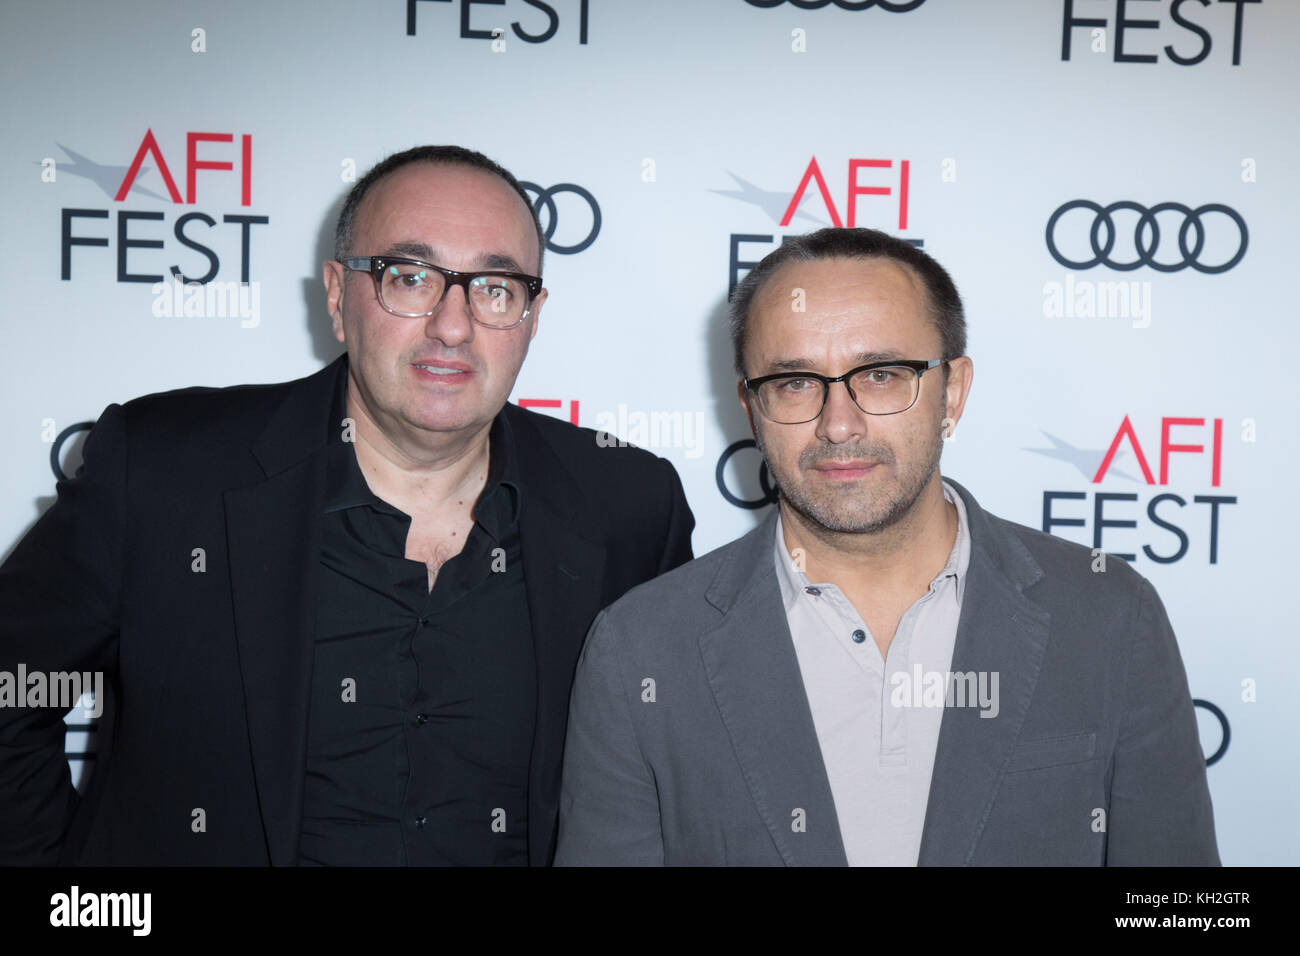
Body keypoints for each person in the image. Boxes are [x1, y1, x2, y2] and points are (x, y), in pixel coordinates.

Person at [0, 145, 694, 866]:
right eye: (410, 277)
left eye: (494, 286)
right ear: (337, 295)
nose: (452, 326)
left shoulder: (629, 506)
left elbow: (674, 770)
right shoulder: (163, 474)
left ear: (532, 313)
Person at [555, 227, 1218, 866]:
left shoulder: (1107, 615)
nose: (839, 424)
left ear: (952, 393)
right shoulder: (640, 648)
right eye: (794, 383)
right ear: (751, 408)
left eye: (881, 375)